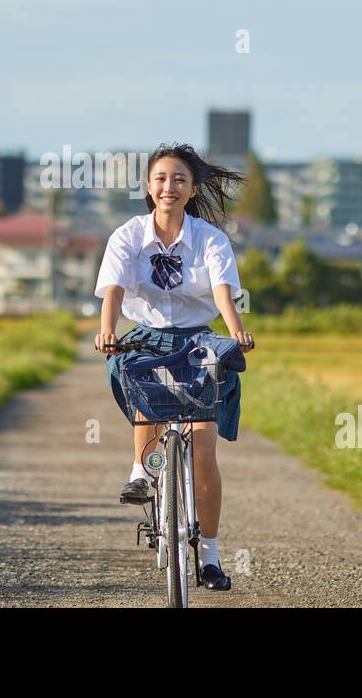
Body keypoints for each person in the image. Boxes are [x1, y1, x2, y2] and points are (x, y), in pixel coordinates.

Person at [93, 142, 254, 591]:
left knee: (204, 452)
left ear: (192, 188)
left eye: (179, 179)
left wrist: (236, 330)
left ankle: (210, 558)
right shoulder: (127, 236)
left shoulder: (211, 238)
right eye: (161, 178)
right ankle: (141, 472)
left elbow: (223, 291)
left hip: (198, 340)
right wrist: (108, 331)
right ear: (149, 186)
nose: (170, 187)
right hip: (145, 337)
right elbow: (114, 291)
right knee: (145, 388)